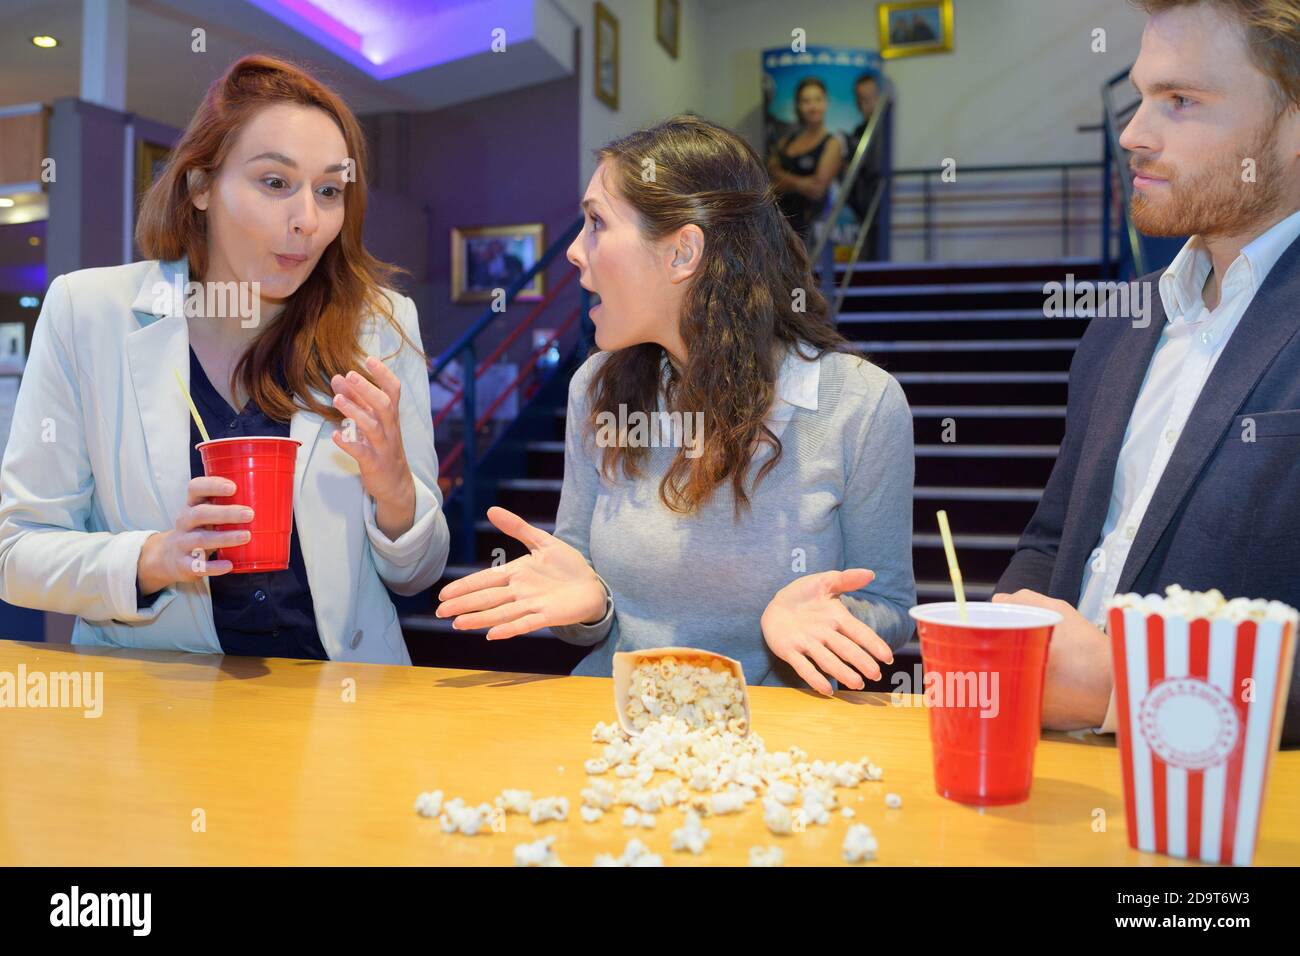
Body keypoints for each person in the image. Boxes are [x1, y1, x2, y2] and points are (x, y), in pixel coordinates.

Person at [436, 115, 916, 694]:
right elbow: (581, 603)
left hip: (784, 744)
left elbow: (887, 603)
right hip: (620, 726)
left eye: (595, 224)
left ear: (682, 253)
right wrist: (589, 607)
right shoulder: (594, 389)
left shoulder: (859, 402)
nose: (572, 253)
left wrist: (833, 619)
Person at [0, 54, 449, 662]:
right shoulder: (89, 313)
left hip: (344, 709)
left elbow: (417, 574)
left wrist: (396, 489)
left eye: (328, 191)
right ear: (201, 185)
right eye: (274, 183)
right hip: (154, 711)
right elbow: (19, 551)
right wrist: (155, 557)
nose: (308, 221)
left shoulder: (382, 327)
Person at [994, 0, 1300, 744]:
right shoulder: (1121, 323)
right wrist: (1001, 633)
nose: (1133, 133)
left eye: (1182, 101)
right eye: (1141, 96)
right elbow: (1058, 535)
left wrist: (1126, 688)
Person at [768, 77, 845, 246]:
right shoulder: (786, 141)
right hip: (776, 226)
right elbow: (769, 180)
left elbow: (817, 188)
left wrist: (783, 180)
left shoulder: (832, 143)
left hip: (809, 231)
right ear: (798, 105)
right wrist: (801, 184)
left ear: (826, 102)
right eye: (806, 101)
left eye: (818, 99)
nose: (813, 106)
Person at [844, 73, 888, 261]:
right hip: (862, 205)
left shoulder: (889, 127)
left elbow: (876, 166)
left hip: (881, 203)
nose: (865, 103)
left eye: (869, 97)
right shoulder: (858, 132)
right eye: (860, 98)